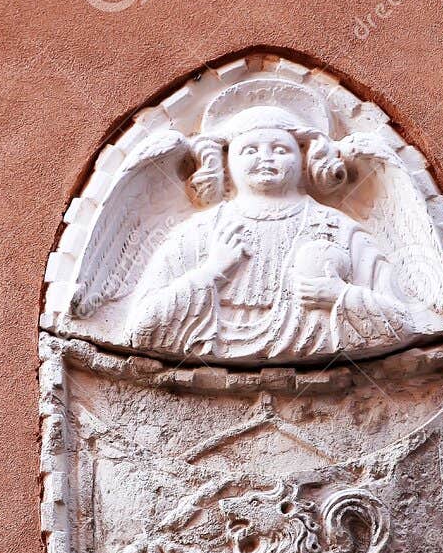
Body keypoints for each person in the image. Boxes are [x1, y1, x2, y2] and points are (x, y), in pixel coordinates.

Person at [125, 105, 416, 362]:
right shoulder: (199, 234)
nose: (266, 158)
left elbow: (402, 323)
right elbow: (141, 327)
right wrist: (212, 272)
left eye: (280, 149)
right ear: (225, 162)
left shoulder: (338, 230)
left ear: (304, 159)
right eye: (250, 150)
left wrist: (341, 296)